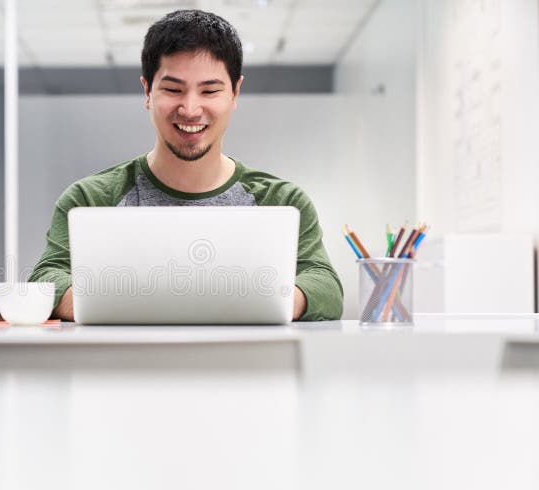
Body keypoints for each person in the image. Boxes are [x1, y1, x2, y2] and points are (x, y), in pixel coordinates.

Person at [28, 9, 343, 321]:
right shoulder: (90, 199)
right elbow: (46, 278)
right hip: (124, 368)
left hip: (243, 368)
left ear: (235, 93)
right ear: (147, 92)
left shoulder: (283, 201)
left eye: (209, 90)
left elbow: (325, 285)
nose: (190, 109)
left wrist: (270, 303)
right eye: (173, 89)